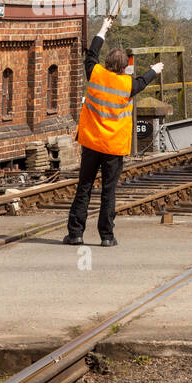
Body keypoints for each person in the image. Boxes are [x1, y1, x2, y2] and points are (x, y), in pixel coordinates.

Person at [64, 16, 164, 248]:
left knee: (84, 187)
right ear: (124, 67)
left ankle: (76, 233)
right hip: (114, 147)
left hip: (91, 143)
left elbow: (90, 55)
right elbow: (143, 81)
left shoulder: (95, 74)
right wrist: (154, 70)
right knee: (109, 191)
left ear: (107, 63)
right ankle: (107, 236)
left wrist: (103, 30)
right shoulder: (127, 85)